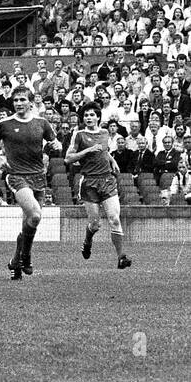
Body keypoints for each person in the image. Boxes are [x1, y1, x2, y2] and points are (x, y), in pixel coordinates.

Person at [0, 86, 59, 280]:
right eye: (16, 100)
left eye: (22, 100)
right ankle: (26, 256)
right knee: (34, 216)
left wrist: (56, 145)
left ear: (31, 103)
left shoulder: (42, 123)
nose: (18, 103)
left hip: (38, 176)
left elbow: (55, 142)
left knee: (28, 222)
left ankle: (15, 262)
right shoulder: (4, 124)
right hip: (16, 175)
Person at [66, 101, 132, 269]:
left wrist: (112, 159)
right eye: (86, 115)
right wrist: (87, 150)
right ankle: (87, 241)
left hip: (107, 180)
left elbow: (104, 150)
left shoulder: (104, 132)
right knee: (95, 224)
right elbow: (68, 158)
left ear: (97, 117)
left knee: (114, 219)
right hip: (89, 182)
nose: (89, 117)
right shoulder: (79, 135)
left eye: (92, 115)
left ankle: (121, 257)